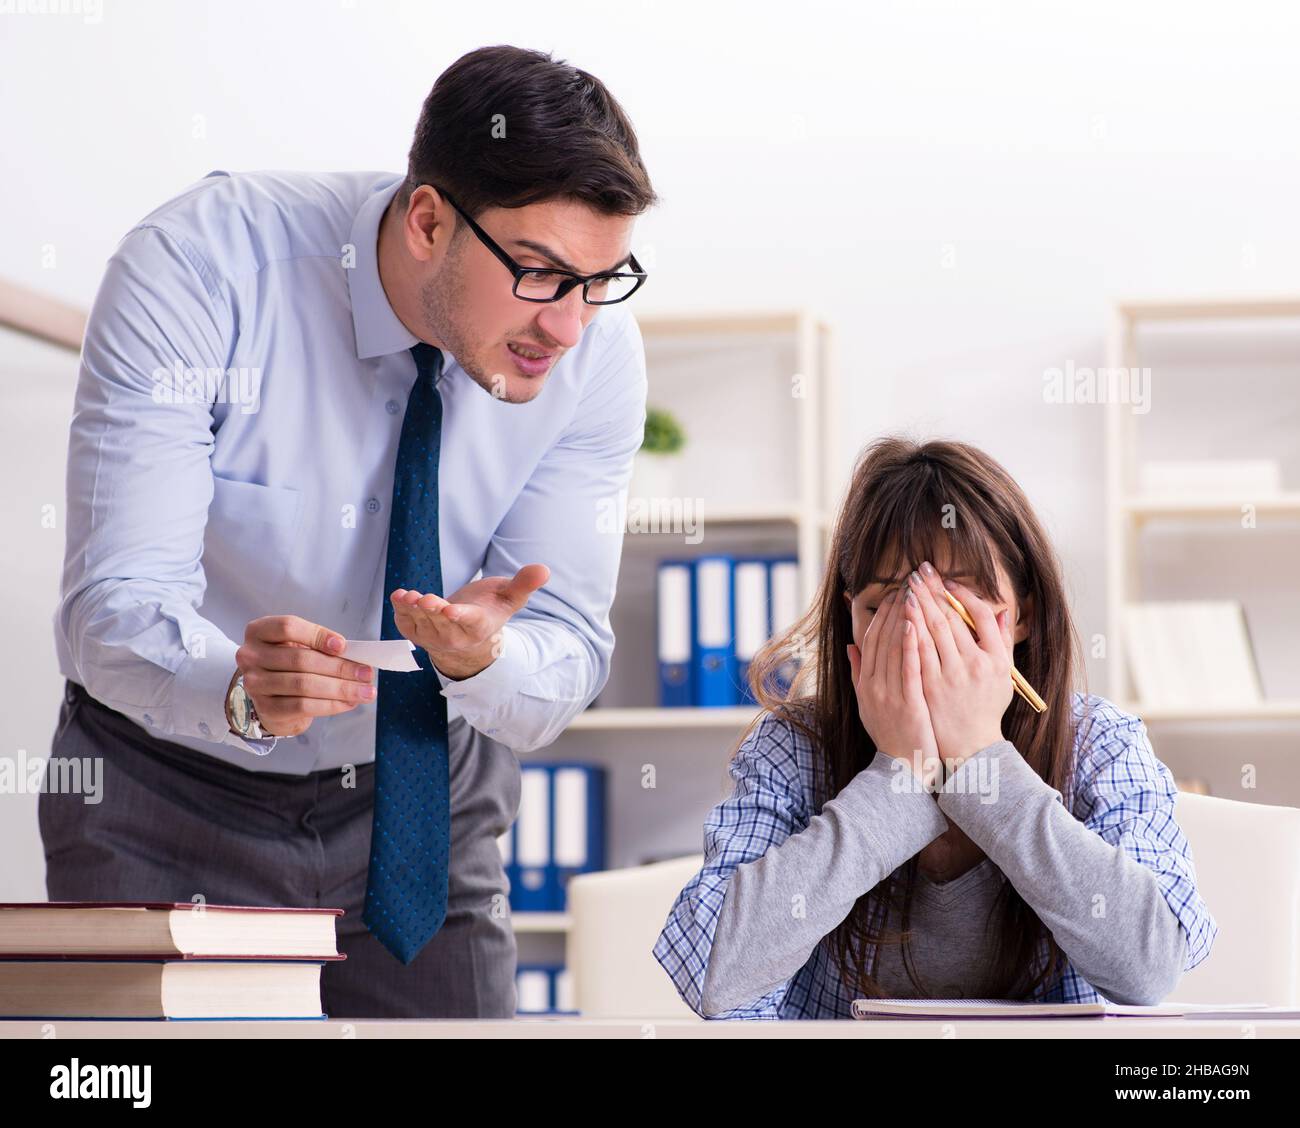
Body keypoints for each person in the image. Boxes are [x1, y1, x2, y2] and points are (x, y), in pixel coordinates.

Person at [45, 44, 656, 1018]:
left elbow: (567, 653)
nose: (569, 328)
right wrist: (236, 687)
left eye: (600, 281)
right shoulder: (202, 271)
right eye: (540, 275)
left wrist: (483, 660)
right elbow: (110, 612)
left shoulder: (594, 362)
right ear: (427, 221)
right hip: (169, 793)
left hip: (421, 799)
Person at [654, 436, 1218, 1018]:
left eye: (951, 608)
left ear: (1018, 614)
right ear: (851, 622)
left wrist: (980, 760)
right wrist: (898, 776)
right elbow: (712, 973)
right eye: (885, 606)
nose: (917, 634)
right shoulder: (795, 748)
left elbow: (1150, 966)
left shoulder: (1099, 742)